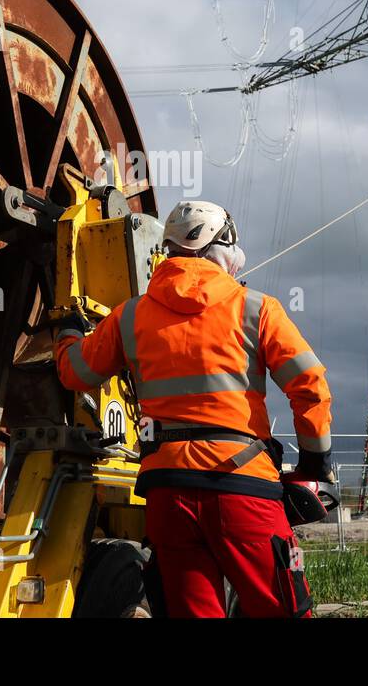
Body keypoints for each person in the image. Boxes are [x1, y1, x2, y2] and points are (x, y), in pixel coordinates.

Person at [54, 200, 332, 617]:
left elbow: (74, 373)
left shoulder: (129, 316)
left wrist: (68, 330)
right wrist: (314, 461)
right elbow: (309, 385)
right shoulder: (257, 308)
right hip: (242, 487)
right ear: (222, 246)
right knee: (286, 609)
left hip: (168, 495)